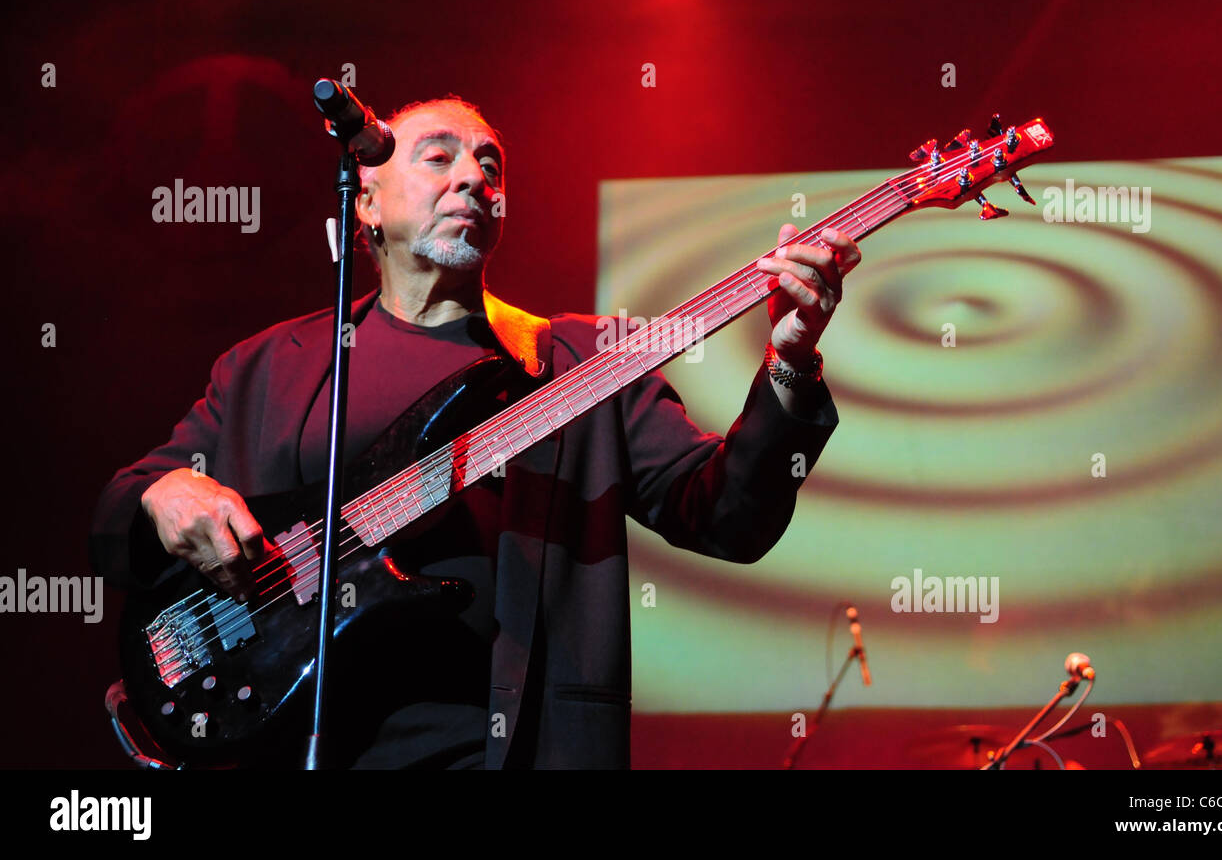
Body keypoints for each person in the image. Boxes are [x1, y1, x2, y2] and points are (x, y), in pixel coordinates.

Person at [89, 96, 857, 768]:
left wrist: (789, 363)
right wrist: (165, 493)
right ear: (366, 204)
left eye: (491, 166)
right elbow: (117, 513)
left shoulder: (578, 362)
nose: (473, 178)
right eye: (438, 157)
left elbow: (726, 516)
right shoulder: (267, 367)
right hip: (293, 744)